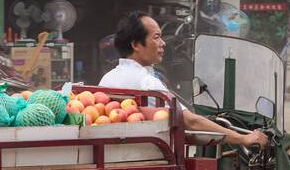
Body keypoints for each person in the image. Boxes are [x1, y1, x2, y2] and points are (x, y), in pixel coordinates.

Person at [98, 11, 268, 148]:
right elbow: (191, 122)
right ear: (136, 45)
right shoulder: (146, 82)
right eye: (156, 37)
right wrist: (242, 138)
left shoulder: (107, 79)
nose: (163, 43)